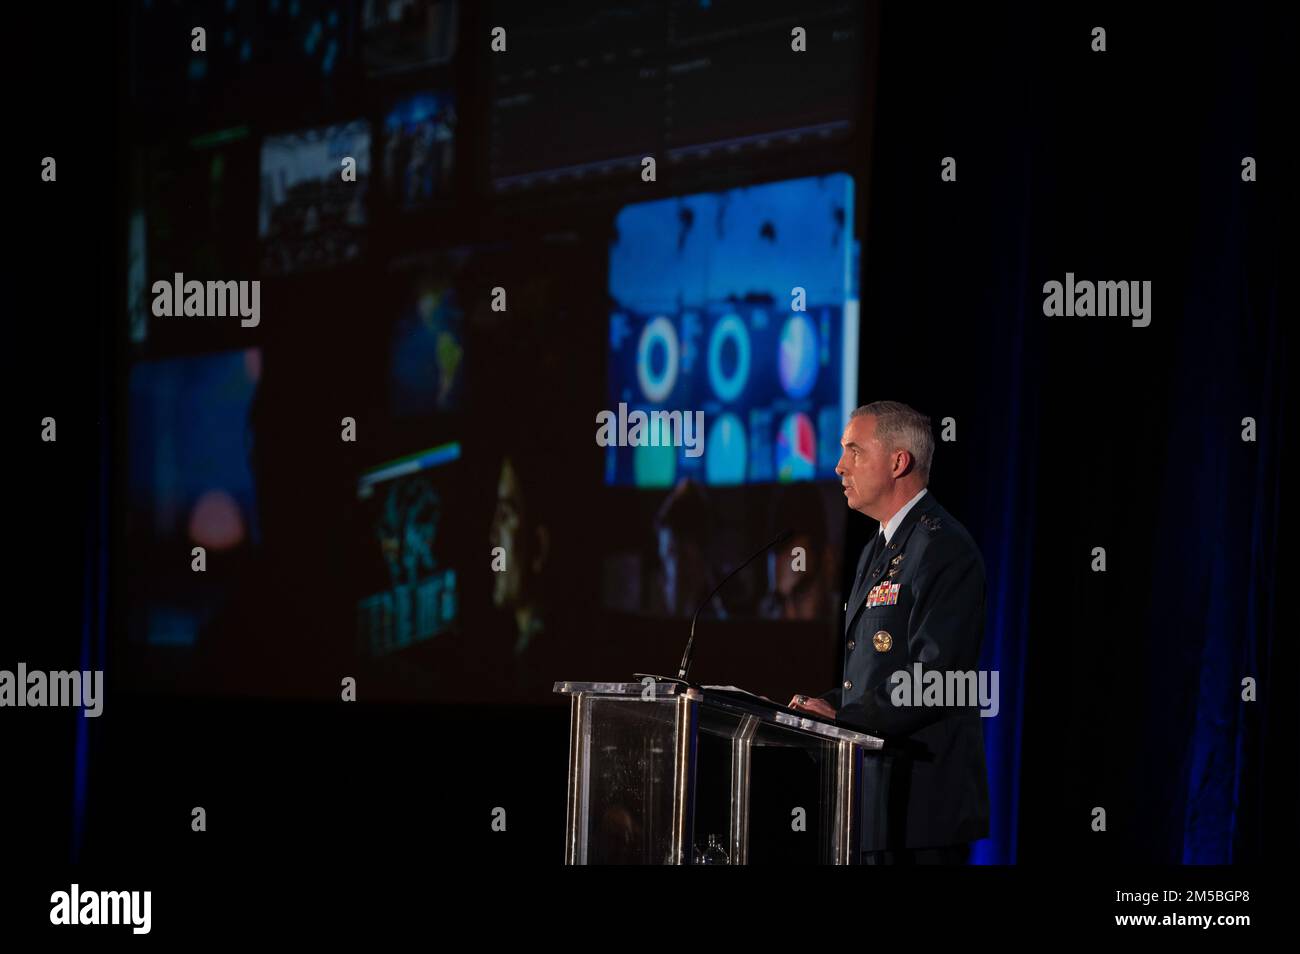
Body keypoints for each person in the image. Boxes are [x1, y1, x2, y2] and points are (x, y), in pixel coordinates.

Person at [788, 401, 990, 864]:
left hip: (920, 807)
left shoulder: (943, 548)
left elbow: (934, 679)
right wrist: (823, 707)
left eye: (854, 451)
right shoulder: (877, 549)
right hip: (872, 800)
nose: (839, 466)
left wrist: (844, 719)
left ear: (899, 462)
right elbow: (873, 675)